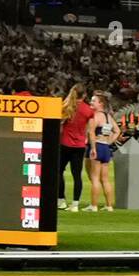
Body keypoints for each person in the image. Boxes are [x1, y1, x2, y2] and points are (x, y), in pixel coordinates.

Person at [58, 82, 94, 212]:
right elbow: (90, 131)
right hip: (79, 146)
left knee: (59, 172)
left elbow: (59, 125)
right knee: (77, 175)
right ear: (84, 95)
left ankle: (61, 200)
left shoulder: (66, 106)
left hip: (64, 144)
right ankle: (75, 204)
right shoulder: (88, 110)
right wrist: (93, 148)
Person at [87, 91, 118, 212]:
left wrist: (93, 148)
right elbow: (117, 131)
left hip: (98, 146)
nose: (91, 102)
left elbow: (91, 132)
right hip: (106, 148)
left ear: (100, 103)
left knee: (95, 178)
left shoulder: (95, 116)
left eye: (94, 100)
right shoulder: (108, 117)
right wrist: (110, 141)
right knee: (105, 179)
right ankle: (109, 205)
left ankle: (93, 206)